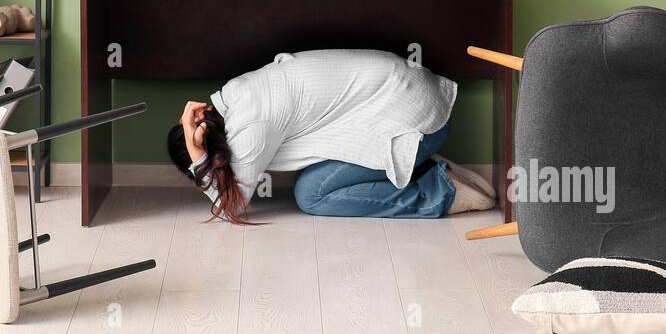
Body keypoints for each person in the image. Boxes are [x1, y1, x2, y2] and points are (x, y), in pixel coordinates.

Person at [166, 49, 495, 224]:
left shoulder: (252, 123)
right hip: (412, 104)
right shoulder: (237, 95)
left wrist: (198, 159)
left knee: (312, 193)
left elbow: (230, 207)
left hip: (419, 123)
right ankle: (418, 167)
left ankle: (442, 192)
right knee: (312, 178)